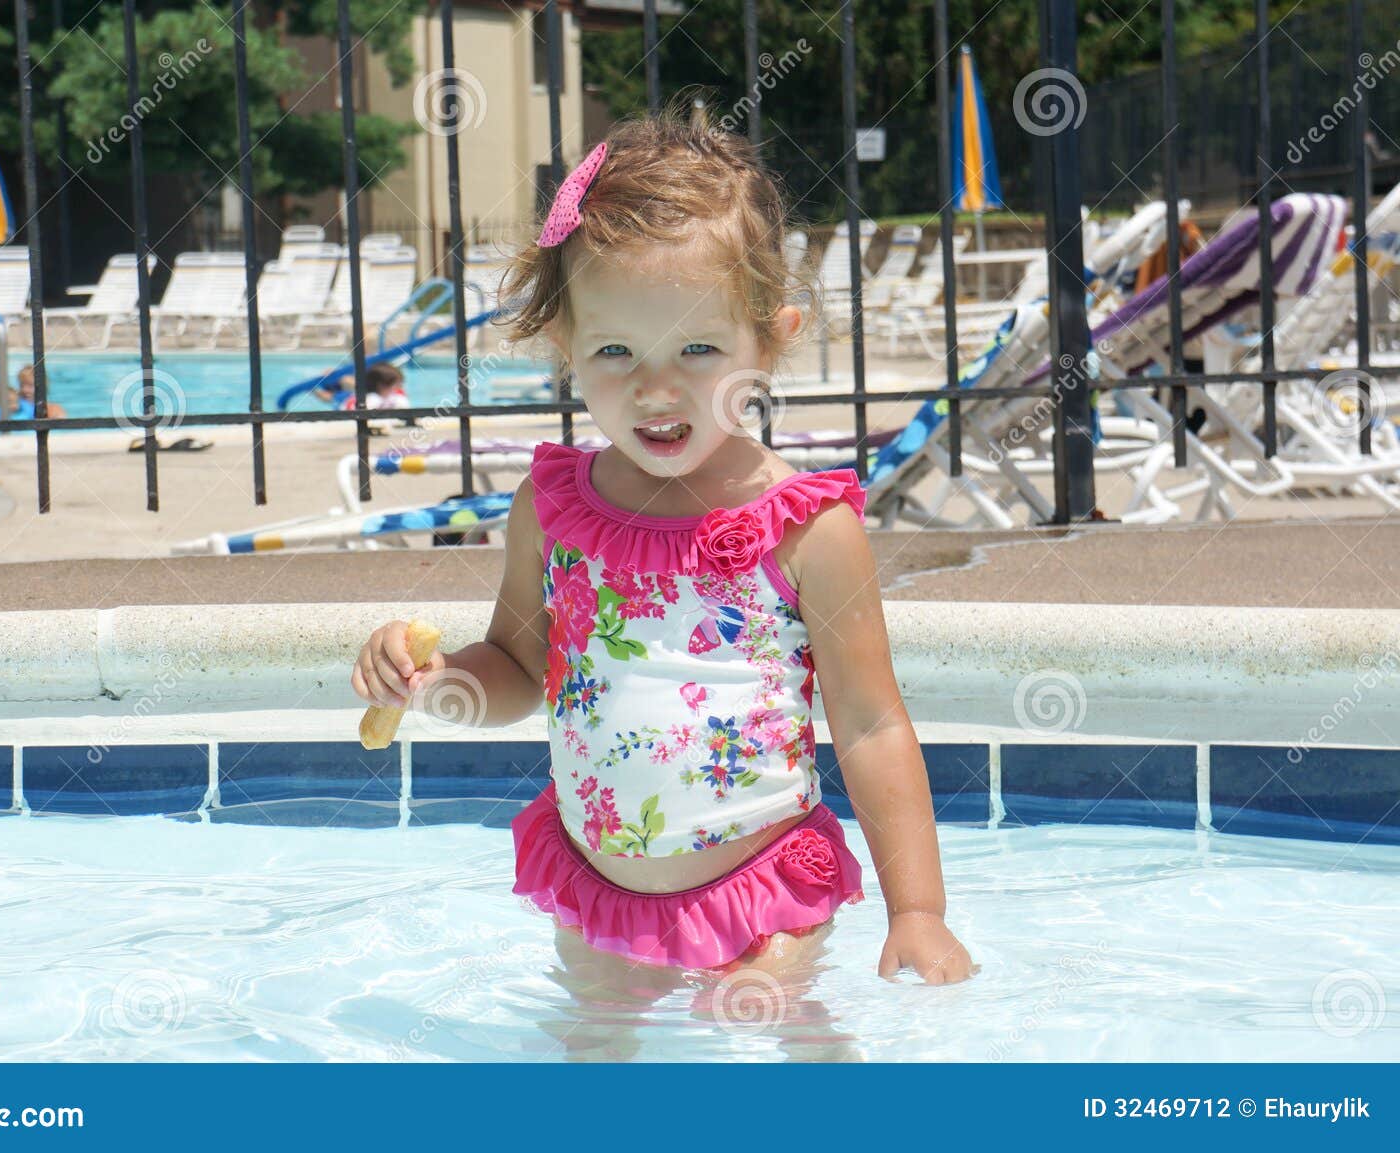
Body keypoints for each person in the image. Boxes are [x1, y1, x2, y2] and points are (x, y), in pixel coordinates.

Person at [351, 98, 975, 1009]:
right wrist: (438, 679)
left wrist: (916, 908)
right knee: (595, 1072)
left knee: (756, 1049)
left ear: (771, 339)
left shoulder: (806, 528)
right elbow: (524, 665)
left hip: (764, 896)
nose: (655, 385)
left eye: (697, 346)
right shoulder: (552, 509)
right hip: (594, 890)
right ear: (563, 346)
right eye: (615, 349)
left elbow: (872, 723)